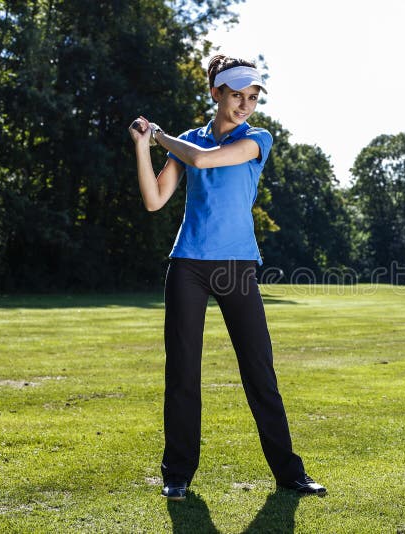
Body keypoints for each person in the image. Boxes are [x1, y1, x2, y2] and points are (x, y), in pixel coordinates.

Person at [128, 55, 326, 500]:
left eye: (252, 97)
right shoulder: (187, 141)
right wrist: (143, 146)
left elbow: (202, 161)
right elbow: (155, 200)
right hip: (188, 265)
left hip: (237, 268)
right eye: (237, 95)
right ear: (216, 92)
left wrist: (159, 136)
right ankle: (176, 474)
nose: (245, 105)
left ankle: (290, 474)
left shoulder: (256, 139)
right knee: (182, 372)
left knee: (259, 371)